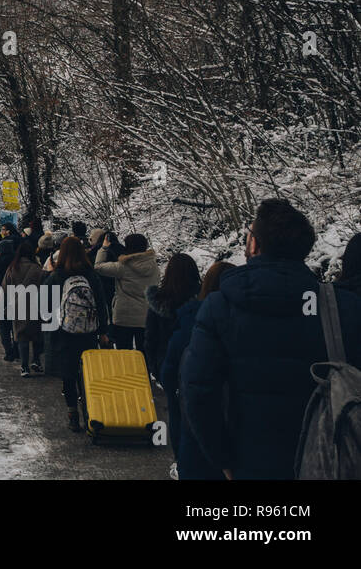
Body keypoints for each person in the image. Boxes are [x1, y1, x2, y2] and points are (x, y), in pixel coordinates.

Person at [181, 198, 361, 479]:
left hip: (250, 460)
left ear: (253, 245)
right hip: (329, 457)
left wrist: (222, 457)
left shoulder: (220, 306)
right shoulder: (342, 307)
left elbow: (198, 391)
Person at [162, 261, 235, 479]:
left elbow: (169, 373)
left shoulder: (190, 321)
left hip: (196, 440)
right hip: (237, 432)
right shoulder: (243, 324)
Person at [43, 236, 109, 432]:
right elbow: (101, 304)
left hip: (64, 332)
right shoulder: (91, 275)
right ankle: (90, 412)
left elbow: (45, 306)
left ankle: (73, 413)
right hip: (88, 332)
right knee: (88, 373)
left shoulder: (56, 276)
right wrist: (103, 330)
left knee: (68, 374)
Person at [94, 232, 159, 351]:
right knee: (144, 353)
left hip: (124, 316)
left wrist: (104, 248)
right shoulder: (154, 266)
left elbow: (98, 267)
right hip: (146, 315)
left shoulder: (122, 267)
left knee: (124, 353)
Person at [144, 252, 200, 380]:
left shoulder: (159, 302)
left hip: (165, 362)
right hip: (196, 362)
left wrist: (154, 367)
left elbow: (150, 338)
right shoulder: (202, 299)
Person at [3, 240, 45, 376]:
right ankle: (37, 360)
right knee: (37, 334)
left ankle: (24, 366)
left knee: (22, 336)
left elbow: (5, 288)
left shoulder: (12, 268)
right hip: (36, 304)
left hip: (18, 305)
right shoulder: (37, 268)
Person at [0, 228, 19, 360]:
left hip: (0, 295)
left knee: (4, 326)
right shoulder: (17, 263)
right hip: (18, 296)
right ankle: (17, 349)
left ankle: (8, 351)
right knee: (16, 324)